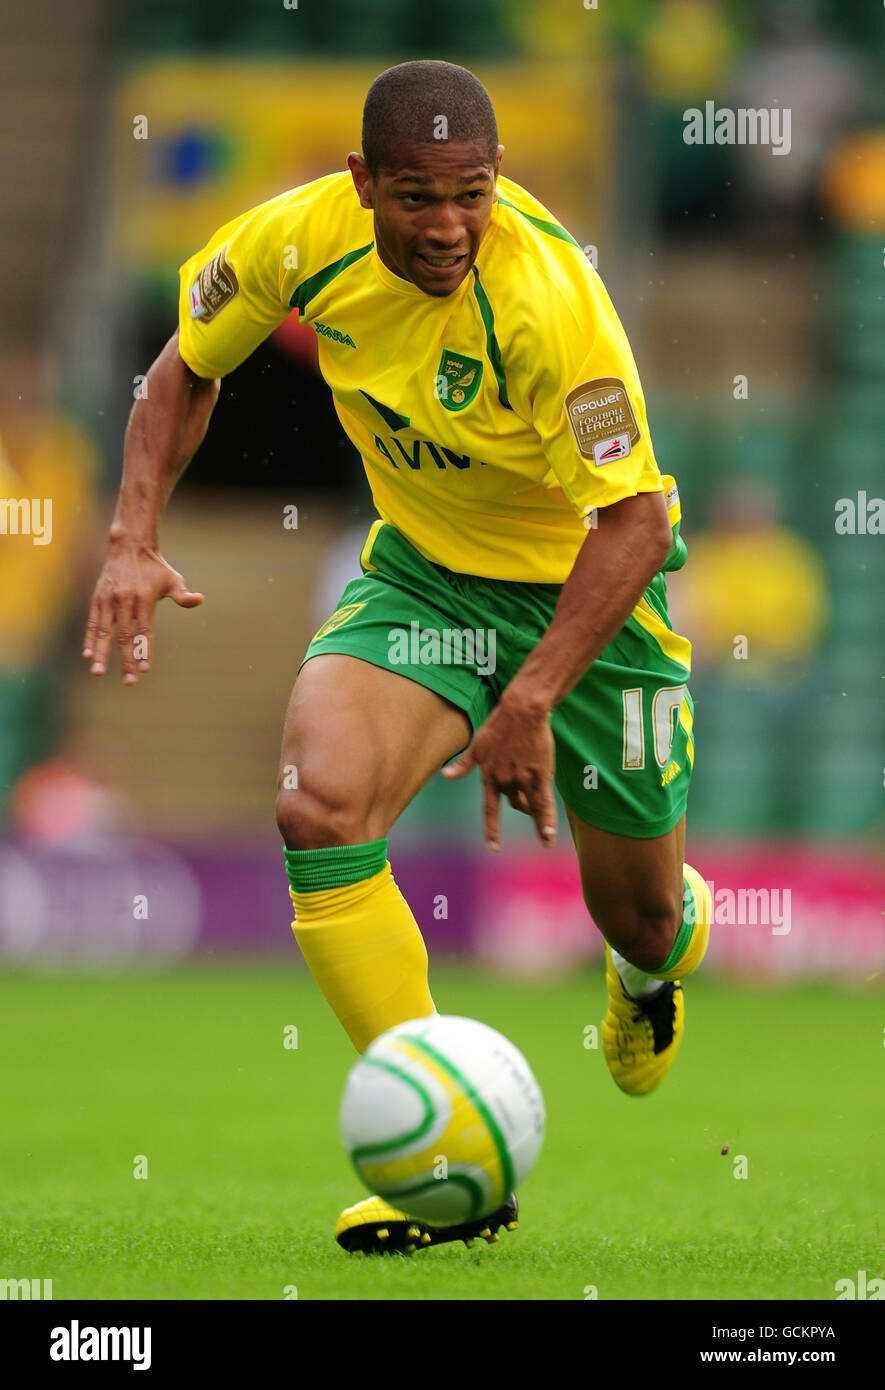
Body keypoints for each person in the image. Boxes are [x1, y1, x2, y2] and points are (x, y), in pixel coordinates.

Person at [83, 59, 712, 1256]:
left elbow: (634, 523)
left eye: (471, 193)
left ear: (500, 179)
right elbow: (183, 368)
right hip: (423, 574)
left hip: (589, 595)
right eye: (418, 196)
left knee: (634, 916)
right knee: (320, 808)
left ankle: (650, 967)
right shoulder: (287, 240)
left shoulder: (553, 300)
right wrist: (131, 537)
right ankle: (444, 1159)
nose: (447, 226)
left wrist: (531, 695)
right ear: (362, 181)